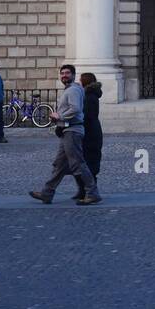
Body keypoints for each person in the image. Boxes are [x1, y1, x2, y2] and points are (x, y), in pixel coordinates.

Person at [29, 64, 101, 206]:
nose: (64, 75)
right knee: (60, 165)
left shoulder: (73, 90)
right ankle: (47, 193)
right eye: (62, 73)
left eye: (67, 73)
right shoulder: (73, 89)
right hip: (67, 130)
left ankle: (93, 193)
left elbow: (75, 109)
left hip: (72, 130)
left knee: (77, 163)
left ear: (74, 75)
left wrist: (59, 116)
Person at [71, 72, 104, 200]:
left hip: (89, 132)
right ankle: (83, 190)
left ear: (85, 81)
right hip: (92, 130)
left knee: (89, 161)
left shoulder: (89, 97)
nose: (79, 82)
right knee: (86, 161)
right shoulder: (90, 95)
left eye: (80, 80)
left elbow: (86, 116)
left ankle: (89, 190)